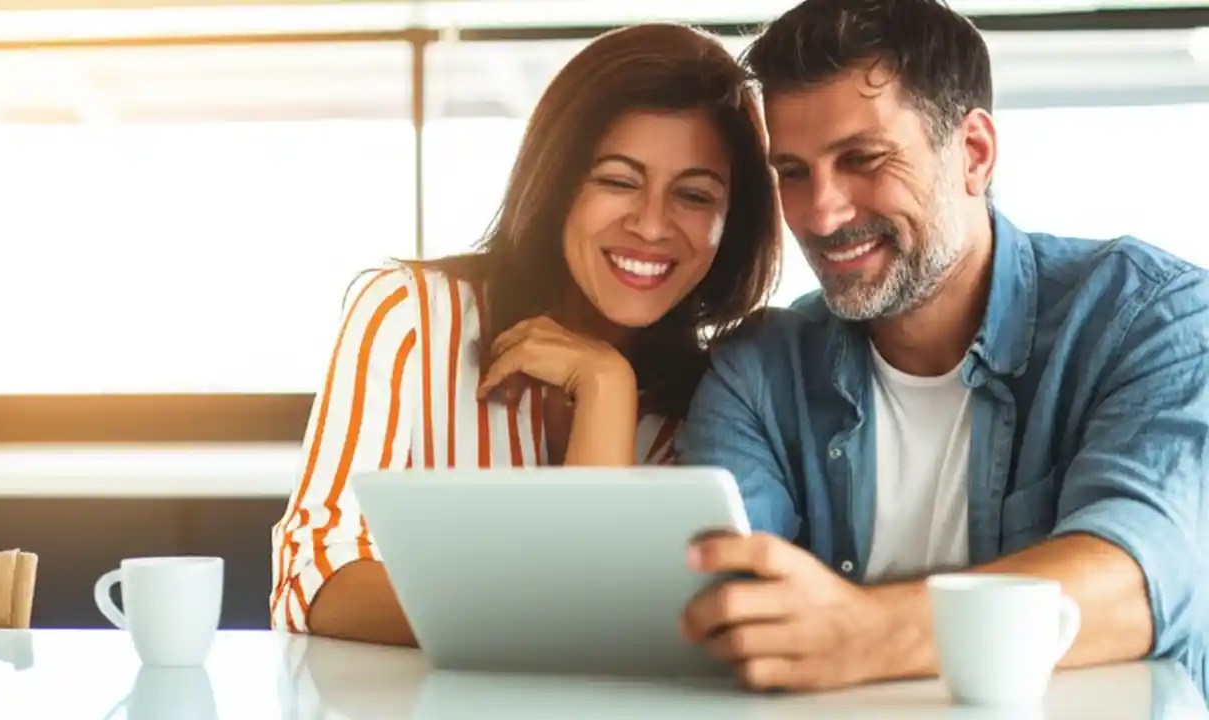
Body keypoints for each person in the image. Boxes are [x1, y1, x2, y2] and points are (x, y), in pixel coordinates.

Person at [675, 0, 1209, 695]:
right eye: (794, 172)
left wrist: (868, 631)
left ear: (974, 154)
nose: (821, 213)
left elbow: (1142, 579)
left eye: (863, 159)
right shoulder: (758, 374)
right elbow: (713, 612)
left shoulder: (1149, 318)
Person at [270, 23, 780, 644]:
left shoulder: (718, 402)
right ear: (557, 180)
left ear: (732, 222)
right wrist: (535, 614)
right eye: (618, 180)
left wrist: (605, 387)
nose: (651, 225)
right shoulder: (410, 316)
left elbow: (601, 631)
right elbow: (313, 577)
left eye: (694, 195)